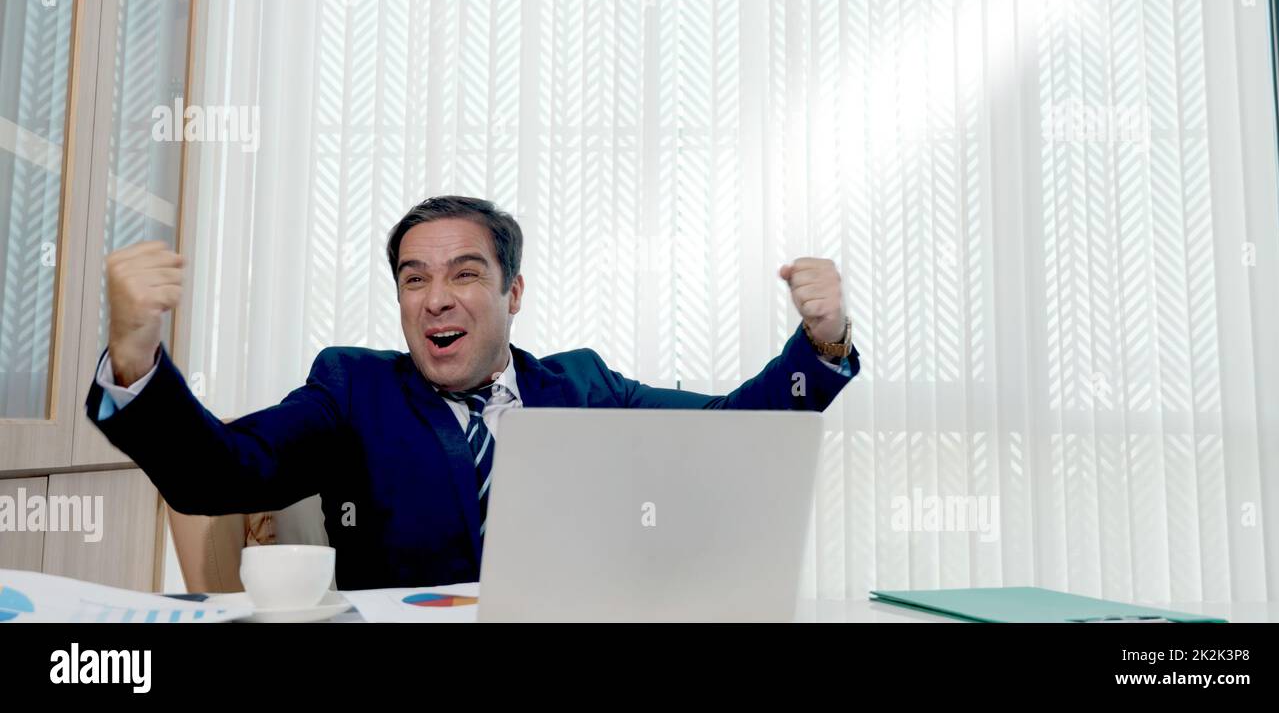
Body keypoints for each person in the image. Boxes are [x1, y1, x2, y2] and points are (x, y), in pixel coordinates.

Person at [87, 196, 859, 588]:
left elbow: (731, 433)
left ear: (512, 291)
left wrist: (821, 343)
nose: (436, 298)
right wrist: (136, 357)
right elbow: (223, 470)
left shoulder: (584, 386)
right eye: (413, 278)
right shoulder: (352, 387)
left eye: (464, 274)